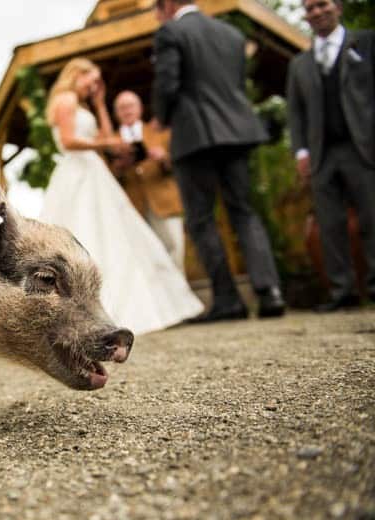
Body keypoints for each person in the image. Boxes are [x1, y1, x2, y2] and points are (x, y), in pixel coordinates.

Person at [39, 57, 203, 336]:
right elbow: (69, 141)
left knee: (117, 234)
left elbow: (104, 134)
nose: (94, 86)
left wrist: (101, 103)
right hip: (77, 173)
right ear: (78, 74)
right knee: (85, 231)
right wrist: (107, 143)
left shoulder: (84, 105)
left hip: (95, 170)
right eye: (93, 81)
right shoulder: (65, 99)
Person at [152, 0, 285, 322]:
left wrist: (161, 117)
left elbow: (168, 83)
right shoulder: (231, 34)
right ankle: (270, 293)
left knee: (200, 218)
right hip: (237, 132)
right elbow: (235, 86)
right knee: (244, 212)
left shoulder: (170, 31)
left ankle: (228, 300)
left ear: (167, 5)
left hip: (195, 136)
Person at [287, 0, 375, 311]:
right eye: (308, 8)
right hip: (322, 154)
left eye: (321, 4)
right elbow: (295, 113)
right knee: (330, 224)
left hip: (362, 147)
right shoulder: (300, 64)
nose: (315, 12)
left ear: (337, 6)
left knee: (371, 216)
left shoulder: (366, 43)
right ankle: (342, 290)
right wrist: (301, 151)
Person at [110, 90, 186, 273]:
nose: (127, 110)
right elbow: (105, 176)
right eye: (122, 107)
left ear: (140, 108)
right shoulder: (111, 141)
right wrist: (119, 168)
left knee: (175, 248)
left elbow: (179, 166)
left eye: (130, 106)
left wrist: (163, 158)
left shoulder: (159, 132)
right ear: (116, 113)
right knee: (144, 257)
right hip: (132, 206)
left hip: (164, 201)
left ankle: (180, 295)